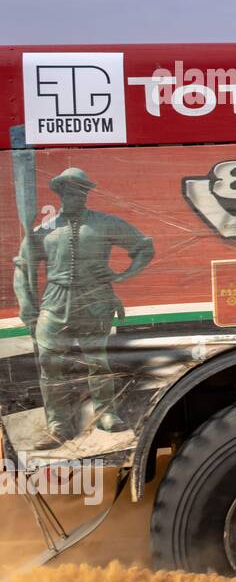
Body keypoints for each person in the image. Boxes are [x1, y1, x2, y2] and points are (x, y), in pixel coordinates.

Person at [12, 168, 154, 450]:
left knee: (99, 361)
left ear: (87, 192)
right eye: (69, 189)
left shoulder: (105, 224)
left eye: (80, 189)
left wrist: (122, 276)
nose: (75, 194)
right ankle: (58, 424)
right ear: (60, 193)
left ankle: (106, 414)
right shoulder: (44, 231)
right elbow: (23, 269)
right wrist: (29, 311)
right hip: (54, 304)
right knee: (51, 367)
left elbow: (144, 247)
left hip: (97, 301)